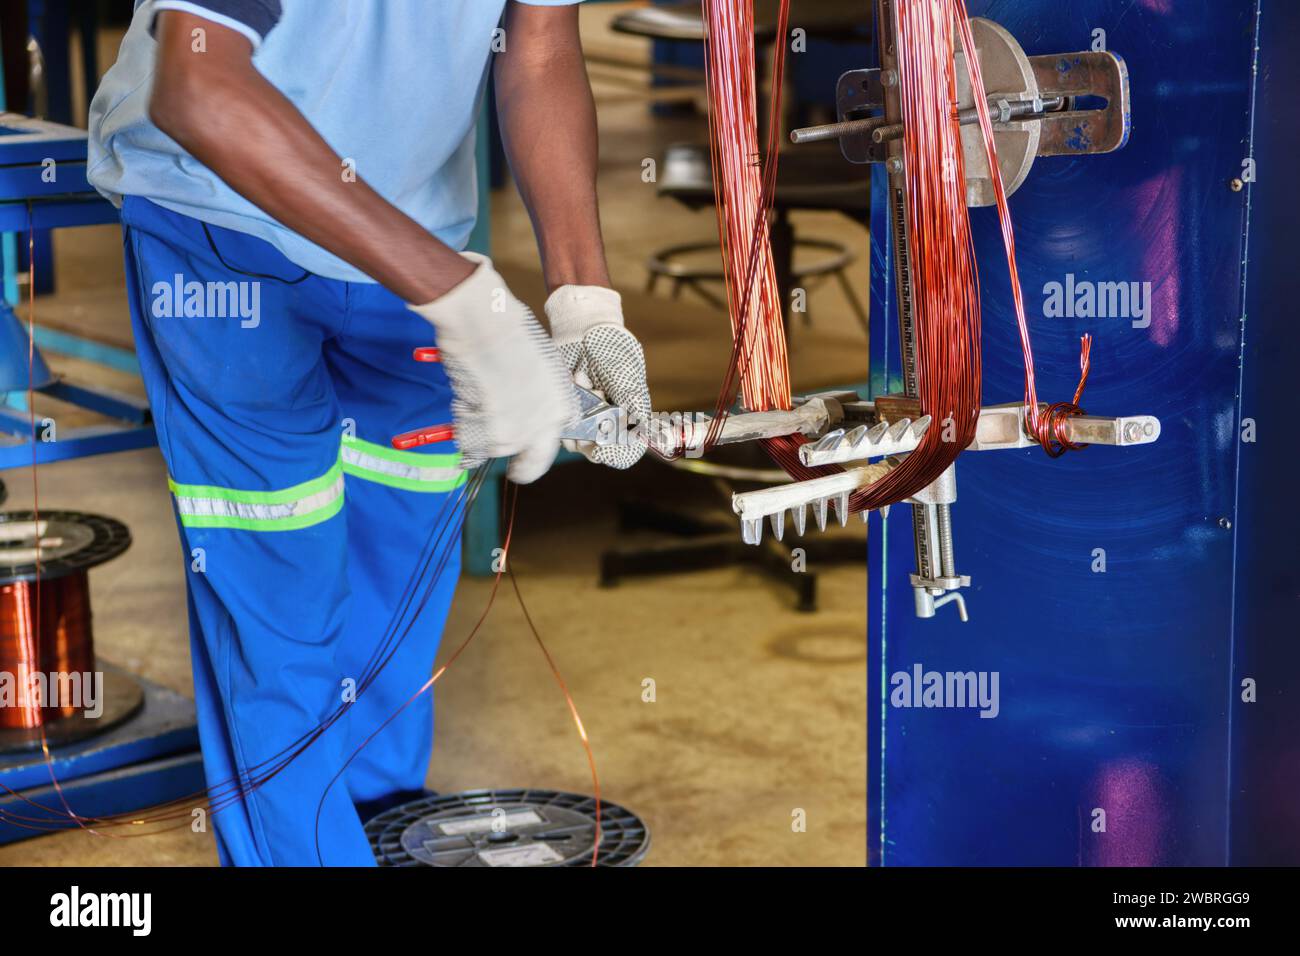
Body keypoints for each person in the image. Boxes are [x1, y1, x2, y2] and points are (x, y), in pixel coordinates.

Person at [86, 0, 650, 866]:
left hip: (411, 233)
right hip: (218, 226)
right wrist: (462, 303)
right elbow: (197, 89)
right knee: (281, 598)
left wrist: (584, 302)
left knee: (400, 567)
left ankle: (381, 833)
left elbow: (537, 44)